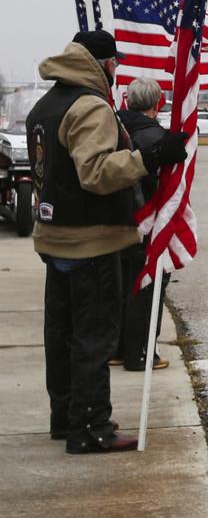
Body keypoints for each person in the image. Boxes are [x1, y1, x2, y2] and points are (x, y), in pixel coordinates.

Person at [26, 30, 188, 453]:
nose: (116, 71)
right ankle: (91, 427)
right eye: (114, 63)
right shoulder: (90, 107)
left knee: (60, 337)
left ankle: (64, 418)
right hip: (91, 242)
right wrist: (148, 157)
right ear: (103, 63)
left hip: (54, 238)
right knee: (93, 338)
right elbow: (95, 173)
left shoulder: (46, 105)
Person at [114, 78, 172, 371]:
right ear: (157, 103)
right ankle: (140, 353)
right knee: (147, 286)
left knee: (120, 284)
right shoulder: (156, 136)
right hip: (146, 219)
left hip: (116, 219)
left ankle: (117, 348)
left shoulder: (114, 127)